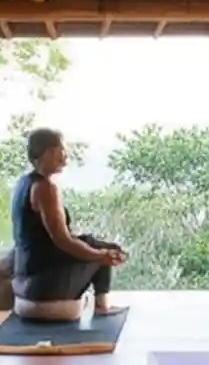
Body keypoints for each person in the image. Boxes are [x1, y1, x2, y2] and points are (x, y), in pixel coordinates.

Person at [11, 128, 127, 315]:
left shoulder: (23, 183)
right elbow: (62, 240)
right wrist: (101, 255)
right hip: (41, 286)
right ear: (49, 152)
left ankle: (102, 304)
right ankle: (101, 307)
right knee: (104, 250)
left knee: (93, 243)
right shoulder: (45, 188)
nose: (66, 157)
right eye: (63, 150)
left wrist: (95, 248)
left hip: (26, 280)